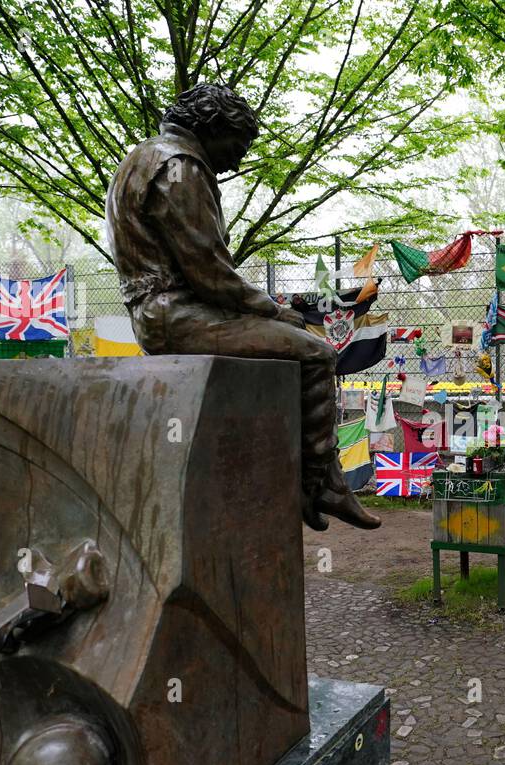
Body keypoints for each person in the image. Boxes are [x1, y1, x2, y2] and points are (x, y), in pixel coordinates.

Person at [105, 83, 379, 532]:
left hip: (162, 312)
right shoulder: (179, 164)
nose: (238, 158)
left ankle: (320, 480)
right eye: (239, 144)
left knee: (296, 345)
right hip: (175, 314)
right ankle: (320, 483)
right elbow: (209, 270)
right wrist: (270, 309)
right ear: (214, 127)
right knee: (317, 354)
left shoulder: (143, 158)